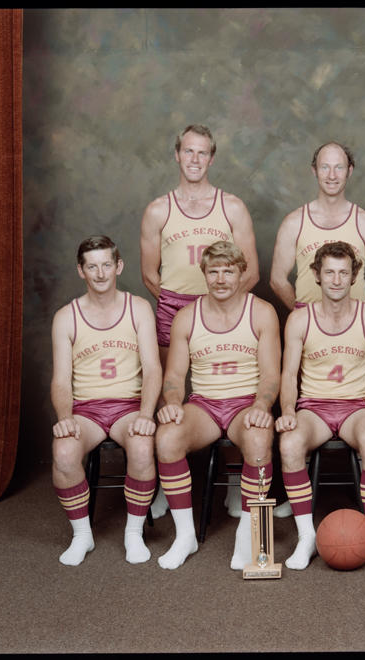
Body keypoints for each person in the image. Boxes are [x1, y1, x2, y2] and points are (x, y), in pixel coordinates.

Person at [140, 124, 260, 519]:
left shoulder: (232, 207)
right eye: (188, 152)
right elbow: (149, 274)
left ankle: (230, 482)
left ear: (212, 158)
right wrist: (187, 311)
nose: (195, 159)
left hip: (226, 306)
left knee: (228, 391)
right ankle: (162, 484)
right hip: (175, 305)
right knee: (169, 395)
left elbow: (252, 271)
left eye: (202, 153)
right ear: (177, 155)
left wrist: (216, 304)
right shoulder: (159, 209)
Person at [153, 241, 281, 570]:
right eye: (214, 272)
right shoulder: (186, 317)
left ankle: (254, 535)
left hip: (245, 404)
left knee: (258, 438)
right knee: (167, 437)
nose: (221, 279)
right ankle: (185, 536)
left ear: (241, 275)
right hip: (205, 404)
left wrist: (262, 406)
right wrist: (170, 402)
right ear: (204, 275)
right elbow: (175, 376)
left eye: (228, 271)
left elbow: (270, 375)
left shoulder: (262, 312)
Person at [275, 241, 365, 570]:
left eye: (344, 273)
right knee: (289, 443)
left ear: (355, 276)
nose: (336, 280)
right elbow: (287, 375)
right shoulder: (300, 319)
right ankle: (306, 537)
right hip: (312, 407)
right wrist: (288, 411)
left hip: (356, 406)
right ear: (316, 275)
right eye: (329, 272)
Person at [50, 235, 161, 566]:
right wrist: (64, 416)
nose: (100, 274)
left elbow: (154, 369)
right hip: (86, 410)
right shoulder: (65, 317)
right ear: (81, 271)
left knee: (142, 446)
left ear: (119, 267)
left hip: (129, 406)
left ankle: (134, 533)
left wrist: (146, 413)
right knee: (64, 452)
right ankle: (82, 534)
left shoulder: (138, 308)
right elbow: (60, 379)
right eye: (92, 267)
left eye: (106, 266)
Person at [269, 141, 365, 310]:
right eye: (325, 167)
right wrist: (303, 315)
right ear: (314, 171)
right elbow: (277, 280)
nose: (332, 176)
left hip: (353, 325)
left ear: (349, 171)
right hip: (307, 326)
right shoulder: (294, 223)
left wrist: (357, 314)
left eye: (339, 167)